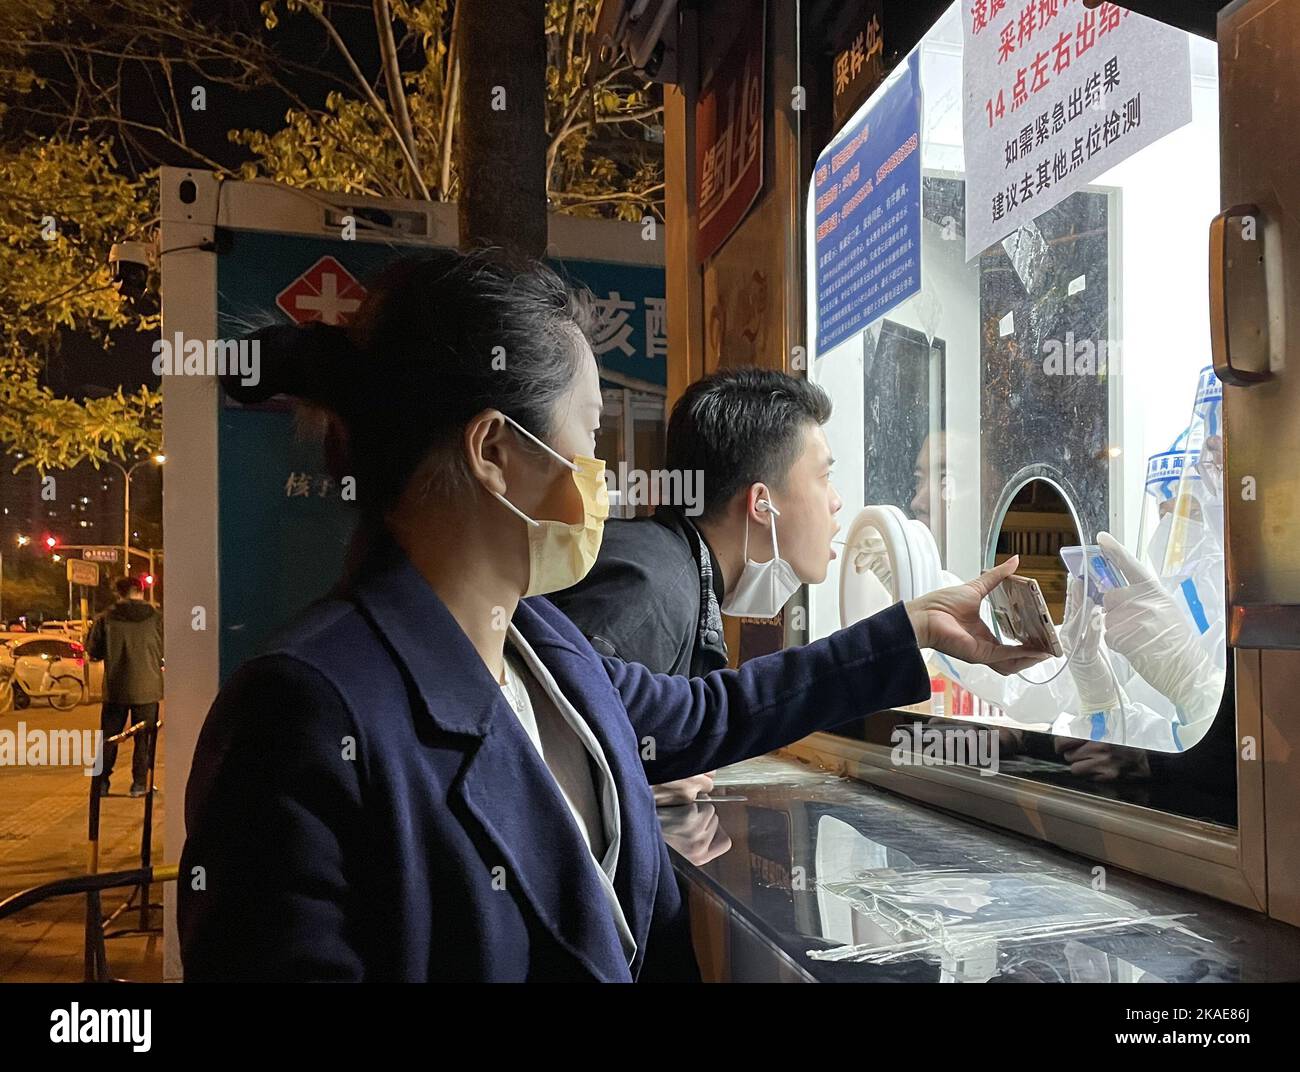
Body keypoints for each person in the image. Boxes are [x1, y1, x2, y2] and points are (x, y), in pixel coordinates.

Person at [177, 248, 1045, 983]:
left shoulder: (538, 644)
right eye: (590, 438)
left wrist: (917, 627)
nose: (608, 478)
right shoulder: (302, 713)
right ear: (494, 453)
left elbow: (713, 713)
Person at [550, 368, 840, 805]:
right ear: (762, 503)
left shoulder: (676, 570)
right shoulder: (654, 590)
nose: (835, 500)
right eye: (824, 477)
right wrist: (626, 783)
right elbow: (538, 744)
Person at [86, 576, 164, 797]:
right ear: (140, 590)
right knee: (144, 739)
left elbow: (94, 651)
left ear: (118, 593)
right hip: (148, 687)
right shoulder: (157, 618)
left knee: (109, 738)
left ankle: (101, 784)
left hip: (116, 687)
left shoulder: (105, 618)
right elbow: (164, 650)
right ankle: (140, 784)